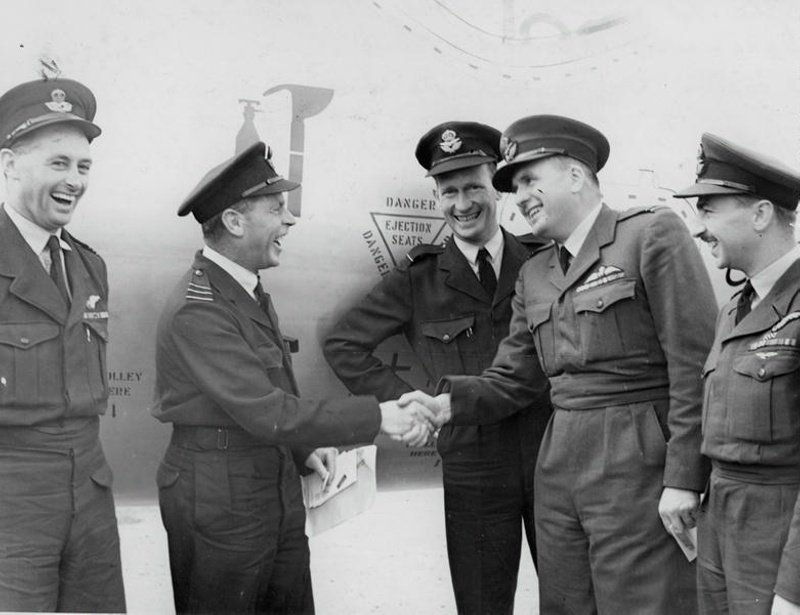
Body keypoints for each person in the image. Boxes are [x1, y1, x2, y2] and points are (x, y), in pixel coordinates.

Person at [405, 114, 719, 614]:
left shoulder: (650, 234)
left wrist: (684, 477)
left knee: (642, 603)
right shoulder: (534, 273)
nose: (521, 195)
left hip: (636, 462)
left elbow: (696, 364)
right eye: (515, 185)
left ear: (575, 175)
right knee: (566, 605)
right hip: (556, 471)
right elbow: (513, 377)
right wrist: (444, 406)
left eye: (531, 179)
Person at [152, 141, 426, 615]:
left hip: (266, 481)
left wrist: (303, 449)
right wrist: (376, 416)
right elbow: (266, 410)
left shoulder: (246, 290)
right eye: (277, 209)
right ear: (235, 222)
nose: (290, 220)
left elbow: (272, 388)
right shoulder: (199, 309)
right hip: (219, 493)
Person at [323, 121, 551, 614]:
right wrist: (414, 404)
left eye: (474, 187)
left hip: (550, 456)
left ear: (498, 187)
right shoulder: (419, 278)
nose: (462, 203)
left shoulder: (542, 262)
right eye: (449, 191)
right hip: (474, 466)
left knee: (573, 600)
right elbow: (343, 344)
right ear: (436, 197)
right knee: (483, 606)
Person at [0, 77, 126, 612]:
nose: (73, 180)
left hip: (91, 488)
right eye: (58, 163)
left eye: (83, 166)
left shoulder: (87, 264)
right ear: (9, 165)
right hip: (12, 496)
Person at [673, 133, 800, 615]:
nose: (699, 230)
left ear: (761, 214)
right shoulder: (735, 309)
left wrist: (794, 587)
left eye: (708, 210)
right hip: (721, 519)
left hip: (778, 529)